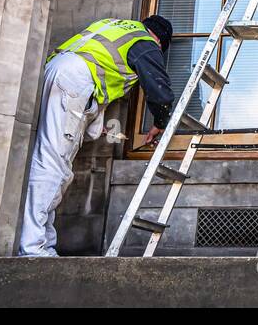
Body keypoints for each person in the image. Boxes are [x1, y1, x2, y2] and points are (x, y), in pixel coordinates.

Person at [19, 15, 176, 257]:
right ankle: (33, 248)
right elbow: (161, 93)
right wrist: (161, 122)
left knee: (52, 160)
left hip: (56, 72)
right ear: (159, 41)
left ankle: (43, 242)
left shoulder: (113, 27)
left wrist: (93, 122)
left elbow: (98, 72)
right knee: (53, 163)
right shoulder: (145, 42)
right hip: (74, 81)